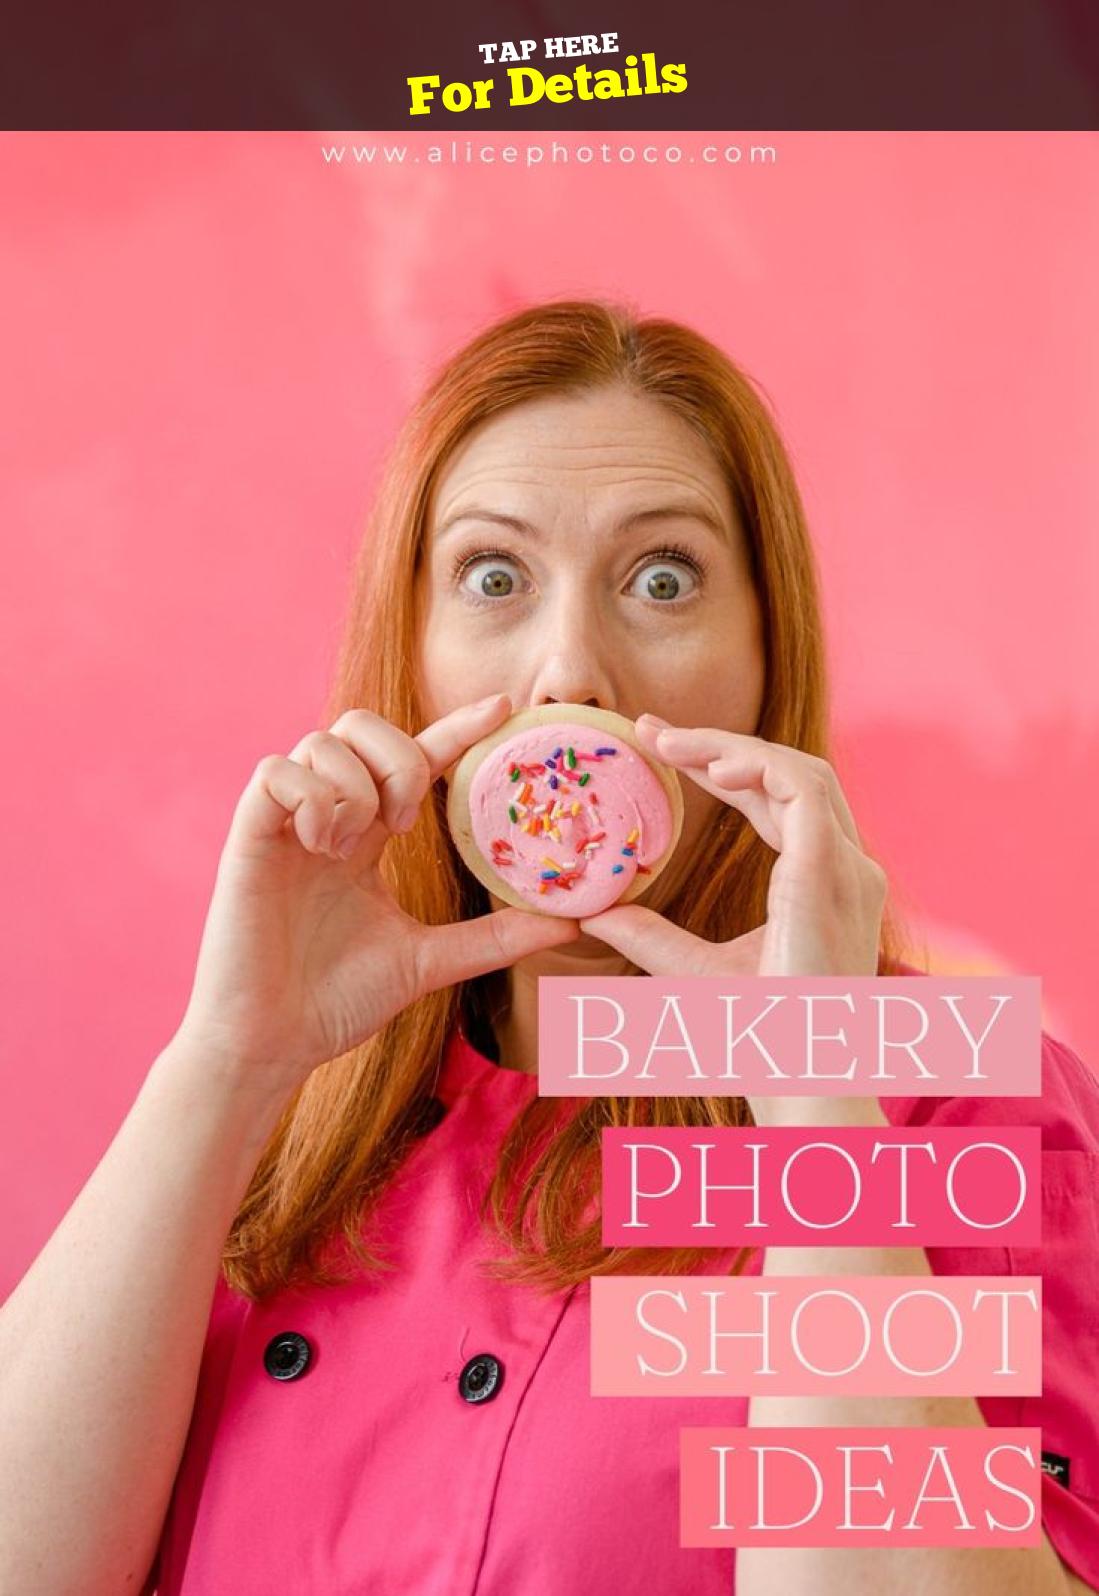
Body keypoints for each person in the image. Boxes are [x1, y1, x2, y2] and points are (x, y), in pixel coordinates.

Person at [1, 300, 1096, 1595]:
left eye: (663, 578)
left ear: (766, 654)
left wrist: (815, 1078)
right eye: (494, 576)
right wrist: (228, 1058)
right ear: (410, 652)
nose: (569, 669)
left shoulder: (950, 1093)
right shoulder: (277, 1116)